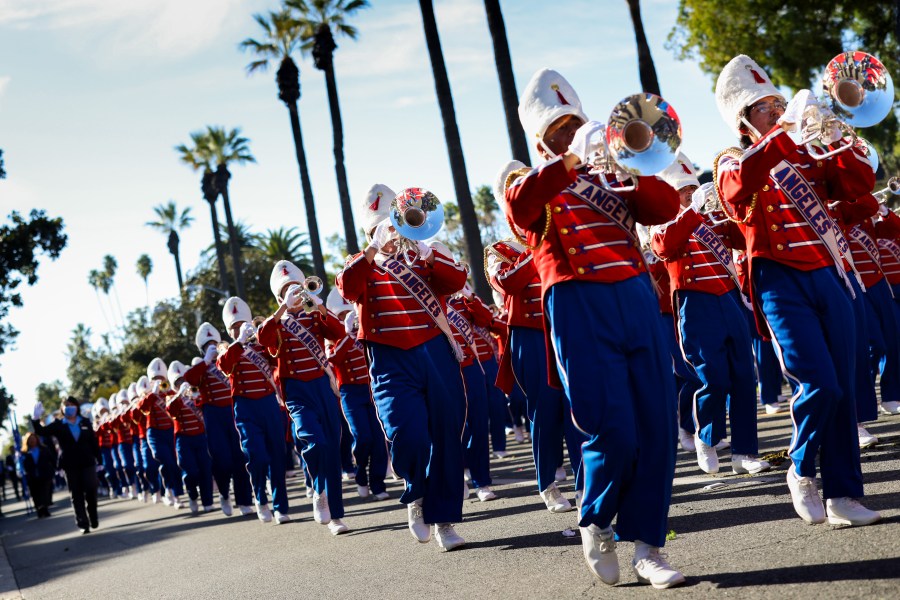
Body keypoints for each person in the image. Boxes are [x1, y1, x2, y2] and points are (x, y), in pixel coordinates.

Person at [504, 68, 684, 587]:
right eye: (560, 129)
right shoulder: (530, 181)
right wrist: (569, 162)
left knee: (657, 425)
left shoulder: (614, 174)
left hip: (635, 296)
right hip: (577, 302)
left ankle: (649, 546)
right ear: (542, 141)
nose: (572, 133)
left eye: (576, 124)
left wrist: (633, 165)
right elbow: (520, 210)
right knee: (612, 428)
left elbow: (665, 207)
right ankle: (598, 519)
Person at [714, 54, 879, 526]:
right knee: (819, 383)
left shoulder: (807, 152)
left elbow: (859, 186)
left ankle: (843, 496)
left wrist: (835, 134)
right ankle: (802, 467)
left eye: (779, 103)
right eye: (765, 107)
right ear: (745, 119)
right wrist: (784, 133)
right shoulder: (733, 160)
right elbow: (736, 191)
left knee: (844, 386)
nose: (777, 110)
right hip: (778, 279)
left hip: (828, 273)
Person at [337, 184, 469, 551]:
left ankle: (445, 521)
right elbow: (348, 289)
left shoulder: (423, 255)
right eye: (380, 227)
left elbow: (456, 281)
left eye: (392, 224)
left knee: (446, 434)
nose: (390, 232)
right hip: (390, 358)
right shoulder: (360, 263)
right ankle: (416, 493)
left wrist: (430, 254)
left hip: (435, 351)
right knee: (406, 433)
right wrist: (372, 250)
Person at [650, 154, 769, 476]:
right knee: (713, 377)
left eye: (693, 188)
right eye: (683, 190)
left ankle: (744, 451)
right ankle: (707, 436)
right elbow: (663, 247)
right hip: (695, 303)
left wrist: (733, 209)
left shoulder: (710, 217)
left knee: (744, 377)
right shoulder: (663, 220)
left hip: (729, 298)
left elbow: (743, 239)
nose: (691, 193)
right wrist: (693, 211)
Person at [486, 161, 585, 514]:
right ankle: (548, 484)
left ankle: (586, 484)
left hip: (565, 327)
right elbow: (507, 283)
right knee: (544, 412)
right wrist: (535, 246)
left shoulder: (557, 232)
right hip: (529, 336)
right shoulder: (499, 249)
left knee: (577, 407)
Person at [258, 260, 349, 534]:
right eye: (287, 290)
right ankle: (318, 489)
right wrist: (282, 309)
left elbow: (338, 332)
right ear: (279, 296)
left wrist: (320, 305)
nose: (294, 293)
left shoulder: (314, 315)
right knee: (315, 442)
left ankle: (336, 516)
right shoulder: (277, 322)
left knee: (331, 449)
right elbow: (263, 339)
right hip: (297, 391)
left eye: (296, 287)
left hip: (322, 386)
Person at [218, 296, 289, 525]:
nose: (240, 328)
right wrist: (239, 342)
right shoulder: (227, 350)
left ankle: (280, 506)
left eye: (243, 324)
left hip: (268, 404)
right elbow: (224, 365)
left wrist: (263, 334)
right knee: (256, 456)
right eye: (235, 326)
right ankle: (260, 498)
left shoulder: (260, 344)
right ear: (229, 331)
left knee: (277, 455)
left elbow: (277, 354)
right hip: (245, 407)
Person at [325, 287, 390, 502]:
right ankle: (361, 475)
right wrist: (345, 334)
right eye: (342, 314)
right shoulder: (333, 337)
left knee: (379, 440)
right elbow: (333, 359)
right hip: (350, 392)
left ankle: (378, 483)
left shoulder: (365, 330)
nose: (348, 317)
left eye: (349, 312)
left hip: (372, 389)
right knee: (362, 437)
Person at [184, 324, 255, 516]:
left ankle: (244, 500)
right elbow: (189, 379)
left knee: (240, 457)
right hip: (213, 414)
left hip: (233, 410)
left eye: (214, 343)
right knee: (222, 459)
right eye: (208, 345)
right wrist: (206, 361)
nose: (212, 347)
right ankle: (224, 493)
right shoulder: (201, 366)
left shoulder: (226, 358)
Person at [30, 396, 101, 534]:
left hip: (87, 462)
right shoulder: (59, 425)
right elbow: (41, 431)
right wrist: (35, 419)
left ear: (77, 406)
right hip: (70, 464)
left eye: (72, 404)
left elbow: (93, 442)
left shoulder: (85, 421)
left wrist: (100, 460)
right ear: (62, 409)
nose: (70, 407)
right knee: (76, 493)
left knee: (91, 489)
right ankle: (82, 523)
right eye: (66, 405)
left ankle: (93, 516)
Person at [166, 361, 215, 515]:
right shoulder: (171, 397)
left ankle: (207, 501)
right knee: (190, 471)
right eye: (177, 382)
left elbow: (204, 407)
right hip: (183, 439)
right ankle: (192, 496)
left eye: (182, 380)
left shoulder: (194, 391)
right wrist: (180, 395)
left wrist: (196, 396)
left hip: (200, 436)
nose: (181, 383)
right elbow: (171, 411)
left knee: (205, 469)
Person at [139, 358, 185, 508]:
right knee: (165, 460)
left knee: (174, 463)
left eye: (161, 378)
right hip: (154, 433)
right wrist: (153, 392)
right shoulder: (147, 395)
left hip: (170, 431)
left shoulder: (169, 392)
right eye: (155, 378)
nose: (159, 381)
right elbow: (142, 409)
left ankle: (176, 495)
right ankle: (168, 490)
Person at [21, 432, 55, 518]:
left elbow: (51, 460)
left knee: (45, 492)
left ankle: (45, 508)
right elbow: (23, 465)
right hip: (32, 477)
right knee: (35, 494)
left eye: (33, 439)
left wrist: (54, 470)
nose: (32, 441)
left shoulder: (44, 449)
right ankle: (39, 509)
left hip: (45, 474)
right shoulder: (24, 452)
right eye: (30, 439)